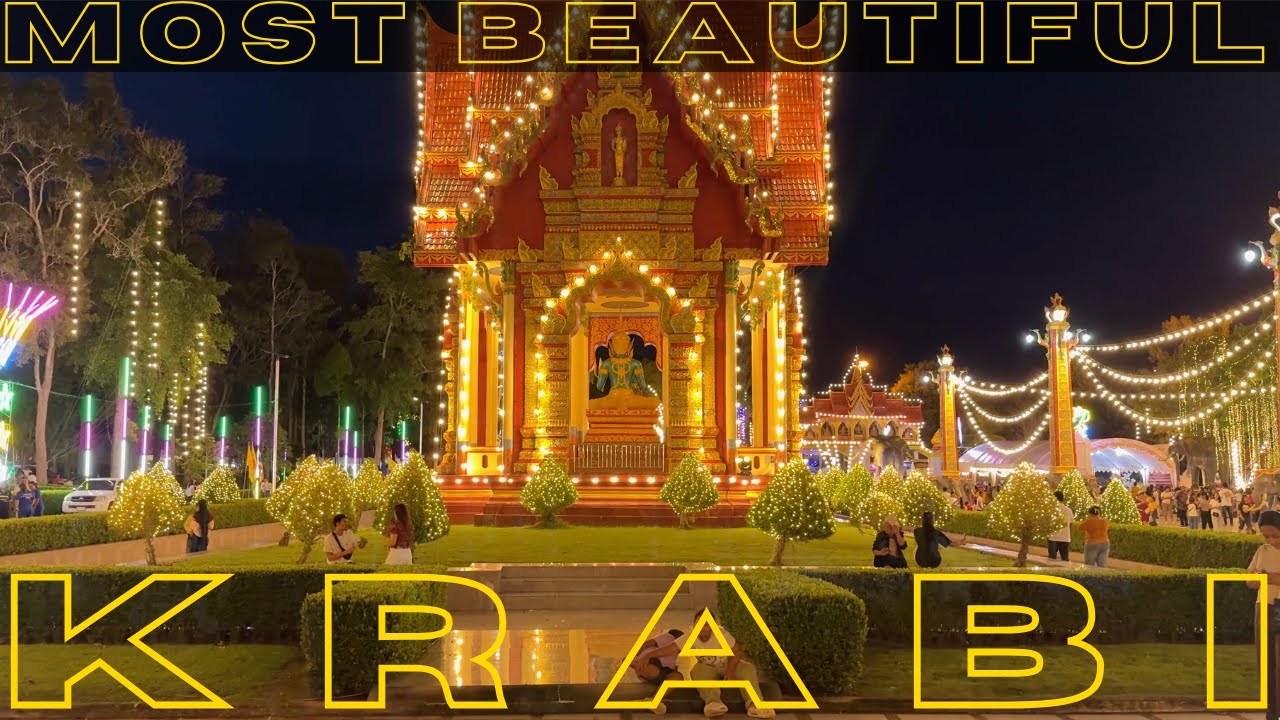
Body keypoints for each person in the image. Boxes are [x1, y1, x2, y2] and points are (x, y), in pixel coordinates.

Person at [678, 609, 775, 719]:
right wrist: (653, 654)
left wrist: (730, 671)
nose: (702, 628)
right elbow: (671, 648)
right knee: (696, 670)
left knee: (748, 668)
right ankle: (713, 704)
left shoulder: (722, 634)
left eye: (706, 624)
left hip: (726, 664)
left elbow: (737, 651)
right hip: (707, 669)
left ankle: (755, 705)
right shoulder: (690, 636)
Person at [1246, 509, 1280, 715]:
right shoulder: (1262, 551)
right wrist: (1265, 578)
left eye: (1275, 535)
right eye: (1266, 536)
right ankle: (1271, 712)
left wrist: (1271, 578)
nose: (1271, 540)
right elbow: (1250, 581)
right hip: (1264, 607)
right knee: (1266, 663)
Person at [628, 628, 687, 715]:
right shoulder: (669, 638)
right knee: (654, 671)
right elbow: (646, 644)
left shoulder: (675, 650)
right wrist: (635, 657)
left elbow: (668, 663)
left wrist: (673, 669)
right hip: (650, 662)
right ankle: (632, 663)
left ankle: (653, 700)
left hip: (661, 669)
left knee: (678, 677)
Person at [1047, 490, 1074, 561]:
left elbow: (1047, 523)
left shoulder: (1051, 509)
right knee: (1065, 559)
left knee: (1051, 560)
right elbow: (1071, 524)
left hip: (1053, 537)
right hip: (1065, 538)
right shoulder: (1068, 510)